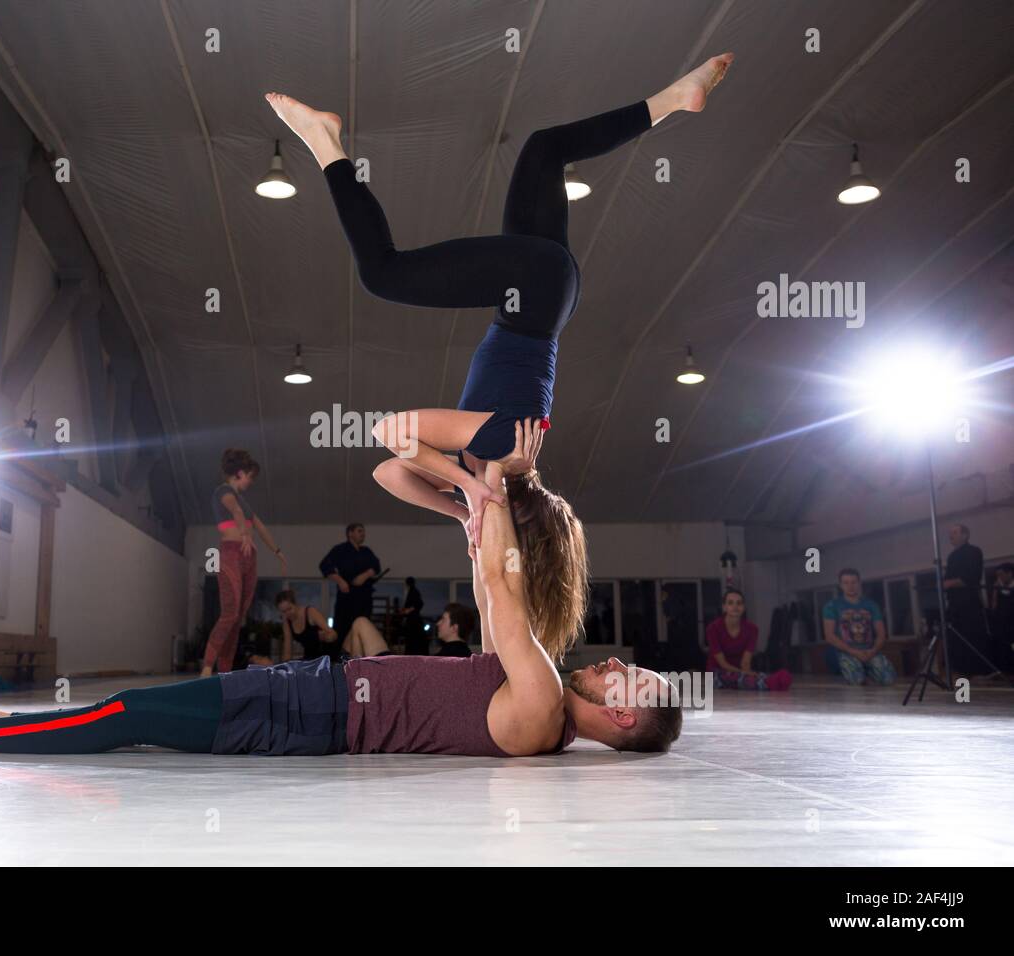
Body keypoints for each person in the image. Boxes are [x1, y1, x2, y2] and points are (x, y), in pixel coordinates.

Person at [265, 52, 732, 655]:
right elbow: (389, 431)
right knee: (383, 273)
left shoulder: (488, 463)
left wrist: (462, 507)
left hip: (546, 294)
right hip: (533, 295)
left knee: (542, 151)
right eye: (486, 527)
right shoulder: (499, 442)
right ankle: (326, 143)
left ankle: (674, 99)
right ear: (509, 511)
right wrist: (471, 485)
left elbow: (387, 473)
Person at [0, 486, 683, 758]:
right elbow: (493, 593)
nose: (617, 664)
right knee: (139, 709)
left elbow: (506, 599)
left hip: (310, 713)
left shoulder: (543, 706)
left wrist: (497, 485)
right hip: (318, 692)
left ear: (618, 712)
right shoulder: (535, 692)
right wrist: (475, 520)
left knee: (129, 713)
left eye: (629, 679)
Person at [203, 449, 287, 676]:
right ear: (240, 473)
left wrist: (277, 550)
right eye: (250, 476)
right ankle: (207, 667)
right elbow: (235, 510)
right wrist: (244, 533)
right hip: (232, 553)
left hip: (250, 557)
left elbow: (261, 528)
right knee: (229, 614)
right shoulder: (224, 491)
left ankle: (225, 671)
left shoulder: (245, 501)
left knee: (238, 618)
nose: (251, 482)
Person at [704, 588, 791, 691]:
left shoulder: (752, 629)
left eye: (739, 603)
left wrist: (747, 673)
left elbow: (745, 662)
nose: (735, 606)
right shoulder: (713, 628)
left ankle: (768, 681)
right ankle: (768, 683)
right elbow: (722, 663)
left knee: (753, 678)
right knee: (741, 680)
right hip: (717, 672)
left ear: (744, 607)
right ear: (724, 607)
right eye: (731, 603)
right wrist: (744, 674)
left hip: (739, 671)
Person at [822, 569, 895, 685]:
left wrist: (873, 651)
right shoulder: (832, 606)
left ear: (859, 583)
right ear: (841, 585)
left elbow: (881, 634)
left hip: (869, 651)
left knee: (888, 679)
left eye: (853, 582)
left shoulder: (871, 605)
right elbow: (829, 636)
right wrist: (854, 651)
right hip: (847, 652)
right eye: (846, 583)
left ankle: (870, 673)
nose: (850, 586)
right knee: (856, 680)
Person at [318, 523, 381, 639]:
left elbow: (376, 567)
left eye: (363, 532)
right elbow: (324, 565)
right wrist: (340, 580)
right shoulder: (340, 550)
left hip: (364, 597)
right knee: (342, 629)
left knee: (364, 628)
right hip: (347, 596)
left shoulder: (366, 551)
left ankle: (361, 656)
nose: (363, 534)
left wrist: (365, 575)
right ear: (350, 533)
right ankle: (339, 656)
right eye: (360, 531)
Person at [942, 523, 988, 674]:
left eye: (954, 532)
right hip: (954, 605)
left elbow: (972, 577)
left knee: (973, 637)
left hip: (969, 604)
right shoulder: (951, 556)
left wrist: (950, 583)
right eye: (950, 533)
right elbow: (947, 578)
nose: (951, 536)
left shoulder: (974, 552)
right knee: (956, 638)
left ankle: (978, 670)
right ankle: (960, 670)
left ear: (965, 535)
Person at [275, 589, 337, 663]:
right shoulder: (286, 621)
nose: (287, 613)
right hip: (309, 658)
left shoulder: (310, 612)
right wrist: (284, 667)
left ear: (295, 604)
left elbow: (333, 634)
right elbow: (287, 648)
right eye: (284, 611)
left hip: (327, 657)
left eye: (289, 609)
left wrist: (324, 637)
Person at [987, 563, 1014, 675]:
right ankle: (1003, 671)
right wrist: (995, 591)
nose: (999, 578)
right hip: (1001, 625)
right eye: (997, 575)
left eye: (1001, 575)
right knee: (1001, 648)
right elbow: (994, 606)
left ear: (1010, 573)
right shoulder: (998, 587)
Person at [400, 577, 428, 655]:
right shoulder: (412, 591)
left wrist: (408, 610)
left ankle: (412, 654)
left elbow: (419, 603)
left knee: (413, 639)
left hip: (413, 620)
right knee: (413, 638)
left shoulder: (413, 591)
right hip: (413, 619)